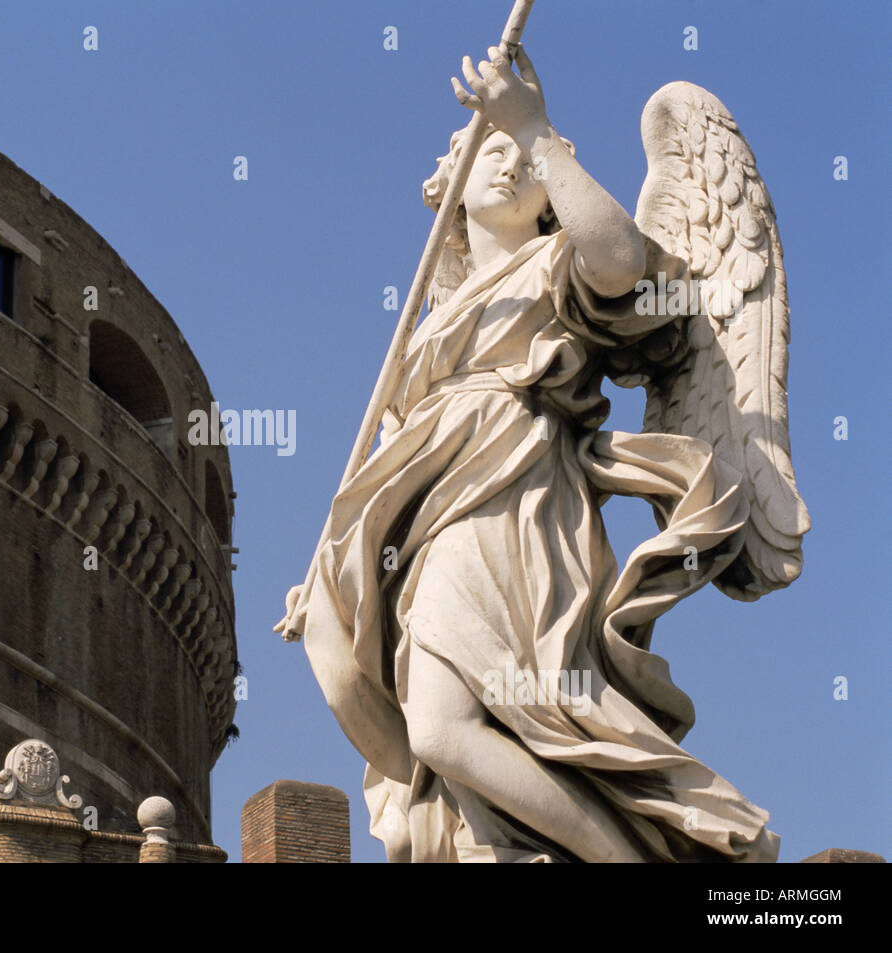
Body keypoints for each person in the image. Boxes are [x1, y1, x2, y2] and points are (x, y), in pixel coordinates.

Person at [276, 46, 780, 862]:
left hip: (512, 494)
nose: (511, 165)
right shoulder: (427, 323)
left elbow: (621, 261)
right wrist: (346, 566)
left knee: (447, 725)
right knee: (335, 656)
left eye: (527, 160)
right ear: (452, 185)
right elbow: (399, 450)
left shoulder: (556, 266)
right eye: (492, 151)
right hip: (424, 515)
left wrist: (531, 124)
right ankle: (471, 829)